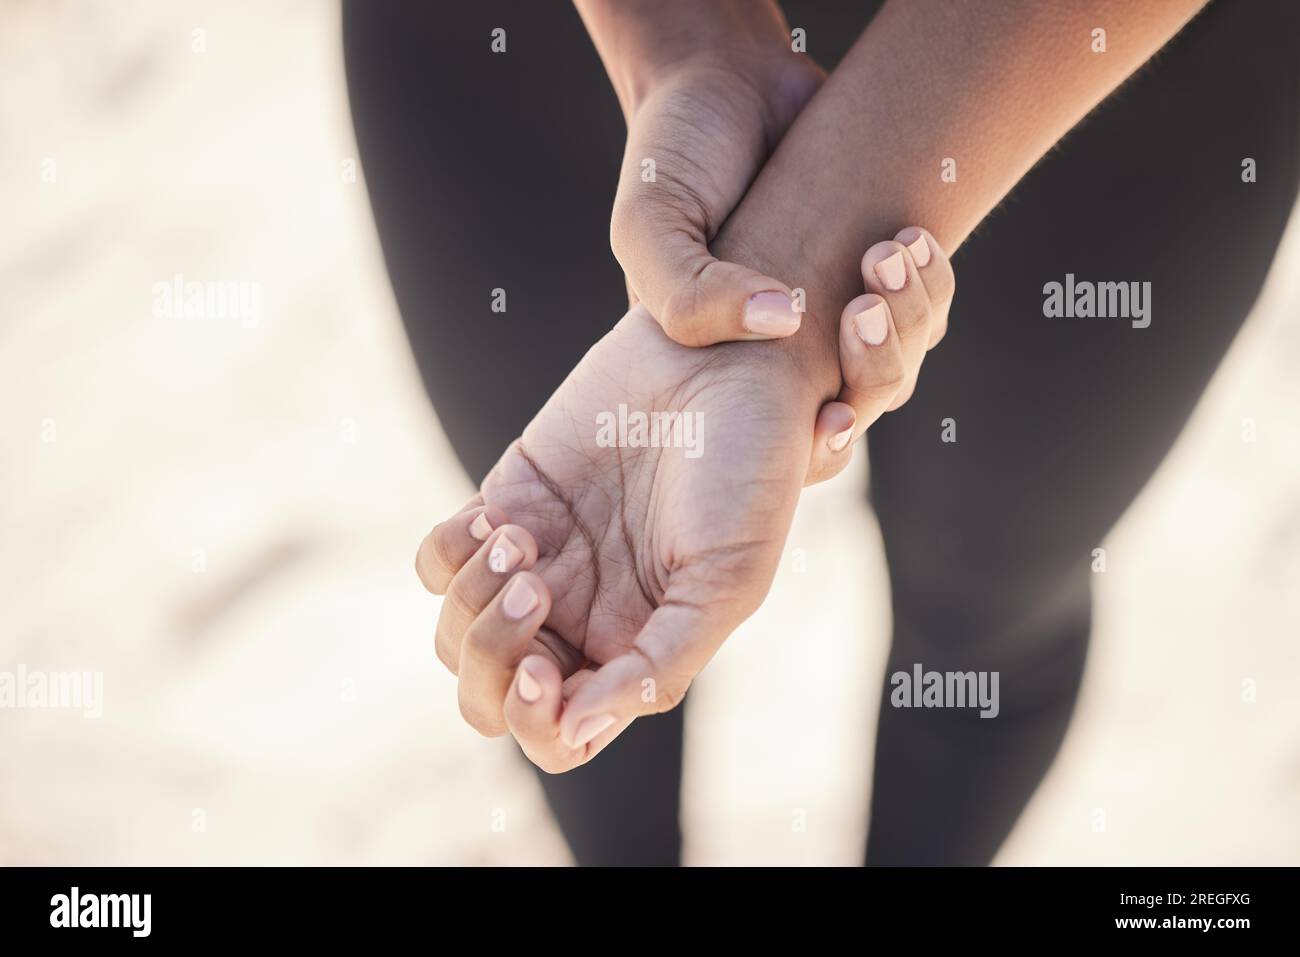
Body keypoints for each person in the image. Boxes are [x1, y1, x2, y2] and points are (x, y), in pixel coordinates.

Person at [344, 0, 1299, 865]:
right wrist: (681, 40)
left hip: (1086, 59)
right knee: (574, 607)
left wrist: (803, 242)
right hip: (536, 32)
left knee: (989, 615)